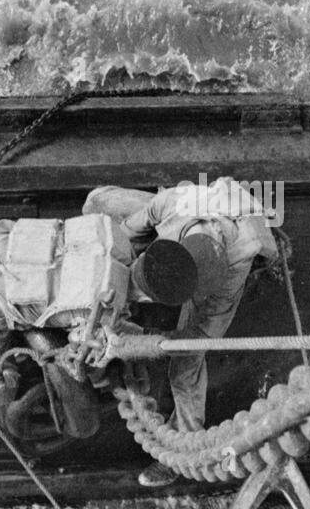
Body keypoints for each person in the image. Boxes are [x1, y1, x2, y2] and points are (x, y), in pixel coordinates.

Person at [0, 215, 201, 443]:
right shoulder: (101, 309)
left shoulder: (115, 233)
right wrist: (149, 340)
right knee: (0, 390)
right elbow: (81, 354)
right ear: (147, 298)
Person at [83, 176, 278, 487]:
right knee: (97, 202)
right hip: (197, 212)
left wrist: (139, 344)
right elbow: (128, 233)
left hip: (235, 234)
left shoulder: (228, 277)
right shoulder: (172, 203)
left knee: (185, 368)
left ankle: (183, 444)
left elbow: (198, 339)